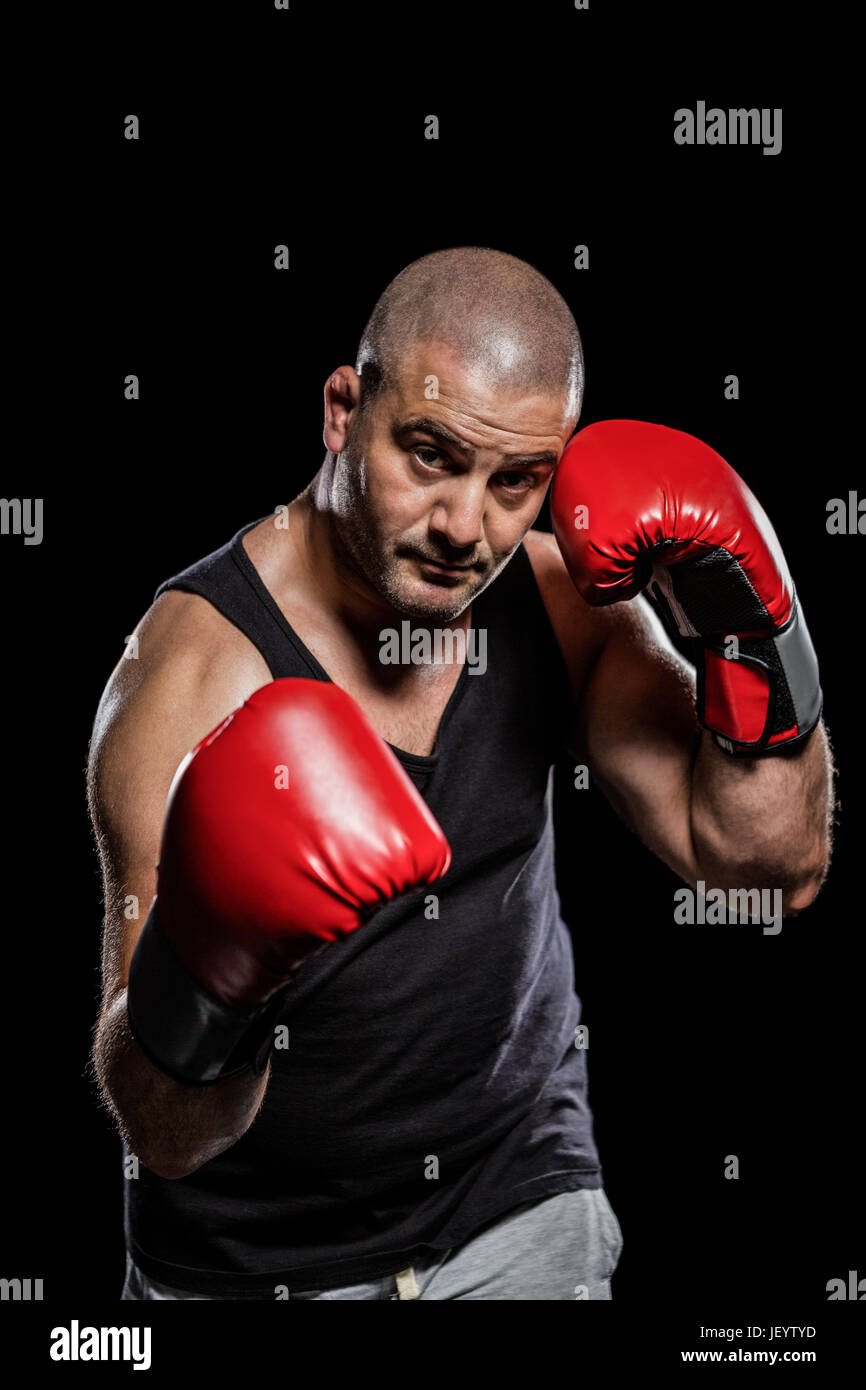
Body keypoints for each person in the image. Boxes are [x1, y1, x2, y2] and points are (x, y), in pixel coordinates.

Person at [88, 247, 833, 1301]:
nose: (462, 527)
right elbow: (163, 1134)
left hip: (519, 1207)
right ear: (343, 411)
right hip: (260, 1269)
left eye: (515, 481)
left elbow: (766, 866)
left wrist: (751, 633)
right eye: (430, 455)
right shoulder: (192, 675)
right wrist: (214, 963)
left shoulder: (555, 600)